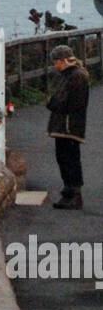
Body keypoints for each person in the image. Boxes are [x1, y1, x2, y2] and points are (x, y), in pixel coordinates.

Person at [46, 44, 89, 209]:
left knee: (69, 159)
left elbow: (68, 102)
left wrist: (52, 103)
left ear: (64, 60)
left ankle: (74, 193)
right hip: (65, 125)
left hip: (69, 125)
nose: (55, 65)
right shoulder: (70, 74)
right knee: (64, 158)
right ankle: (69, 192)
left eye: (56, 61)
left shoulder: (76, 76)